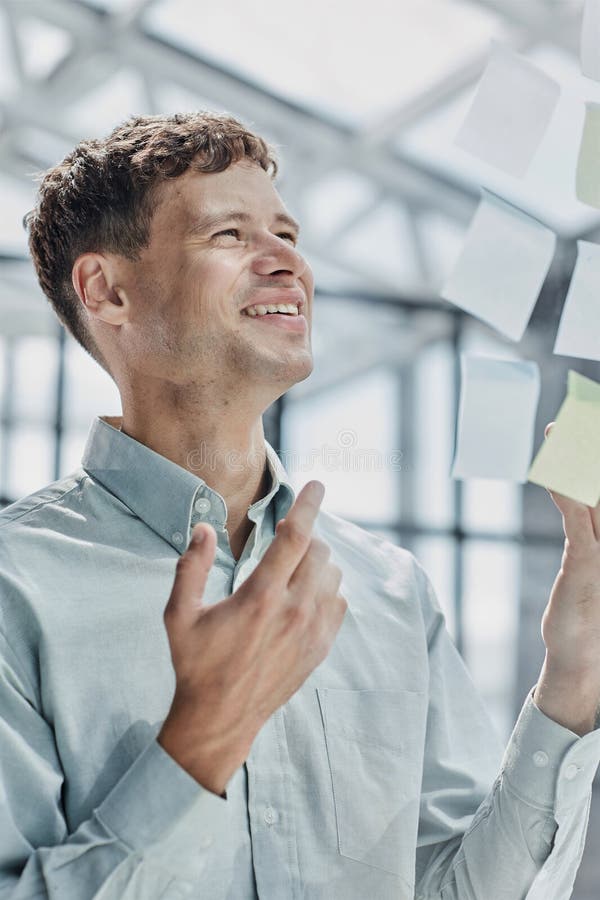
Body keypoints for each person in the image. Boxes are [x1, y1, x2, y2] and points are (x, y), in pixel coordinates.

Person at [0, 111, 599, 900]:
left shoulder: (388, 588)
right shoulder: (16, 586)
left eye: (286, 232)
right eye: (229, 236)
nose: (288, 261)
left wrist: (573, 681)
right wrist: (200, 742)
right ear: (108, 291)